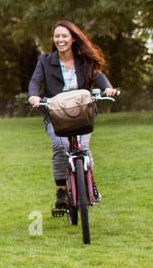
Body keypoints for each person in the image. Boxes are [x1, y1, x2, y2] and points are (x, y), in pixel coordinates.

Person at [27, 20, 119, 216]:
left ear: (73, 39)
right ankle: (61, 191)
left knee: (83, 149)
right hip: (56, 115)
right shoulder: (45, 61)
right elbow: (35, 81)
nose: (60, 40)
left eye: (64, 36)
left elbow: (98, 76)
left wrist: (108, 88)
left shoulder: (83, 61)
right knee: (61, 147)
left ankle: (89, 183)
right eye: (57, 36)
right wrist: (33, 96)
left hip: (81, 113)